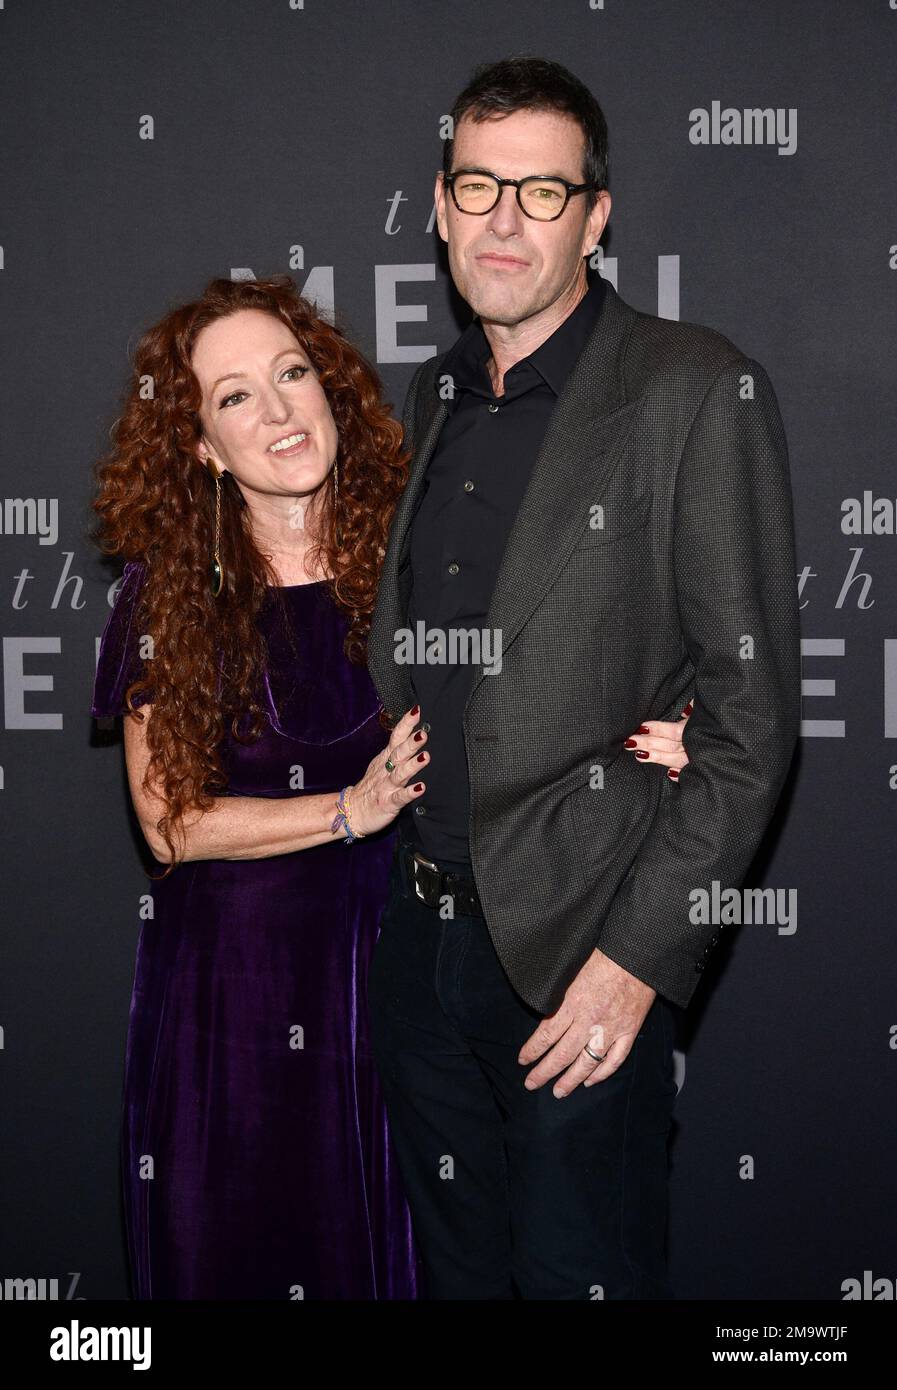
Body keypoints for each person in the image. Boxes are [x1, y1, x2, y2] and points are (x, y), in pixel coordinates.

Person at [90, 274, 688, 1299]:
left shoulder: (414, 551)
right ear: (197, 445)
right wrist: (343, 810)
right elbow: (165, 823)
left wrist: (666, 732)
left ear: (329, 385)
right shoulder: (174, 592)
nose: (277, 411)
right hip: (238, 991)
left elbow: (558, 657)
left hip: (408, 972)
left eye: (291, 373)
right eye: (234, 397)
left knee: (437, 1253)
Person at [365, 56, 801, 1300]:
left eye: (543, 192)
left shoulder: (690, 388)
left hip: (576, 956)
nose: (505, 218)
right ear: (439, 207)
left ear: (597, 216)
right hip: (420, 946)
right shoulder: (433, 394)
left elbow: (753, 716)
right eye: (478, 184)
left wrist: (632, 961)